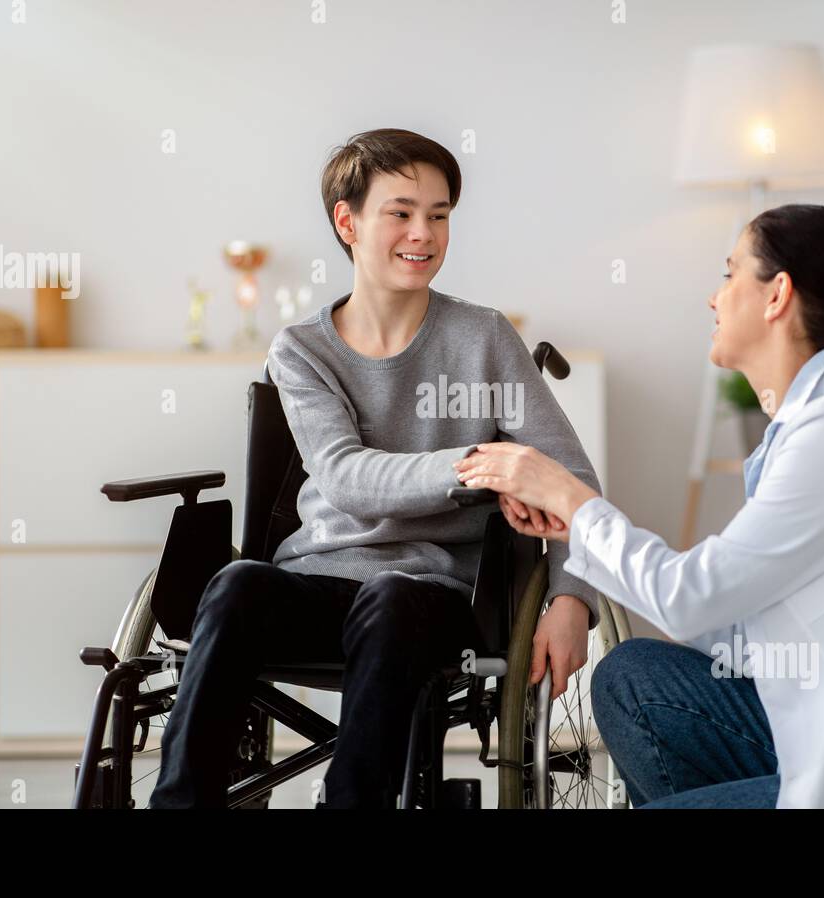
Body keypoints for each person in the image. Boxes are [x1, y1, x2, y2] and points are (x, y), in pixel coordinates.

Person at [454, 204, 824, 808]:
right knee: (633, 678)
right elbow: (740, 631)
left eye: (728, 274)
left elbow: (694, 596)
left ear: (778, 296)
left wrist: (570, 496)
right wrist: (575, 531)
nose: (714, 300)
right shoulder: (813, 426)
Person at [148, 128, 602, 808]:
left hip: (433, 598)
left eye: (439, 215)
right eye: (402, 212)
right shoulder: (302, 350)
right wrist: (482, 466)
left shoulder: (483, 339)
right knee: (238, 583)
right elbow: (344, 477)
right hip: (318, 587)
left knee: (392, 597)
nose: (423, 233)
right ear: (348, 221)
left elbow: (572, 483)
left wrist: (571, 598)